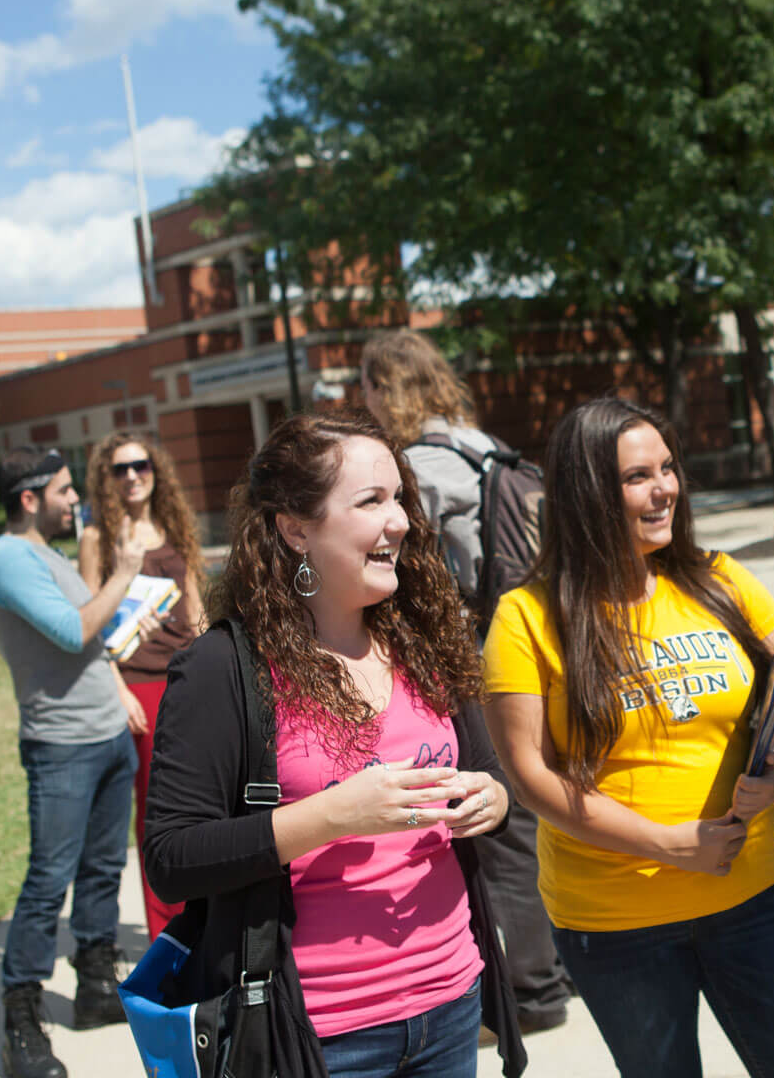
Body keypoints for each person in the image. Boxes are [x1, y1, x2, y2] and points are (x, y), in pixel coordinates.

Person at [145, 411, 526, 1078]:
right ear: (295, 529)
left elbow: (490, 779)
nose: (400, 520)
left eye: (399, 497)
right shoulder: (222, 669)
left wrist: (489, 798)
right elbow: (172, 857)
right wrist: (335, 815)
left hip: (452, 1003)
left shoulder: (427, 638)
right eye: (371, 501)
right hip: (319, 1036)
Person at [483, 396, 774, 1078]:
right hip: (616, 924)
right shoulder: (526, 616)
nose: (665, 489)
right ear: (587, 492)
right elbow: (529, 773)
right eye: (636, 477)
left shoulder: (721, 579)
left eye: (669, 469)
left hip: (755, 899)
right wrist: (667, 845)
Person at [360, 329, 575, 1037]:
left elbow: (415, 572)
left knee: (501, 823)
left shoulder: (420, 463)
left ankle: (536, 991)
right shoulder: (482, 445)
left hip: (478, 654)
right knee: (536, 805)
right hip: (535, 641)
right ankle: (559, 958)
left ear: (384, 387)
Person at [0, 446, 160, 1078]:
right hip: (61, 745)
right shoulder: (5, 559)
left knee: (103, 865)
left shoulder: (45, 555)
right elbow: (72, 630)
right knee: (48, 878)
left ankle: (93, 985)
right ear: (28, 498)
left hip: (106, 732)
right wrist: (127, 573)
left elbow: (94, 640)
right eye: (62, 490)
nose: (72, 499)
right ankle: (21, 1022)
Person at [77, 431, 205, 942]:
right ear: (106, 479)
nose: (132, 476)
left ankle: (200, 920)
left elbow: (195, 611)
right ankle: (165, 935)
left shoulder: (174, 525)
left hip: (187, 681)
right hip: (138, 687)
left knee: (200, 805)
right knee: (157, 812)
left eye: (141, 465)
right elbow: (88, 620)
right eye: (119, 469)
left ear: (156, 470)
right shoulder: (97, 538)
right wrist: (118, 690)